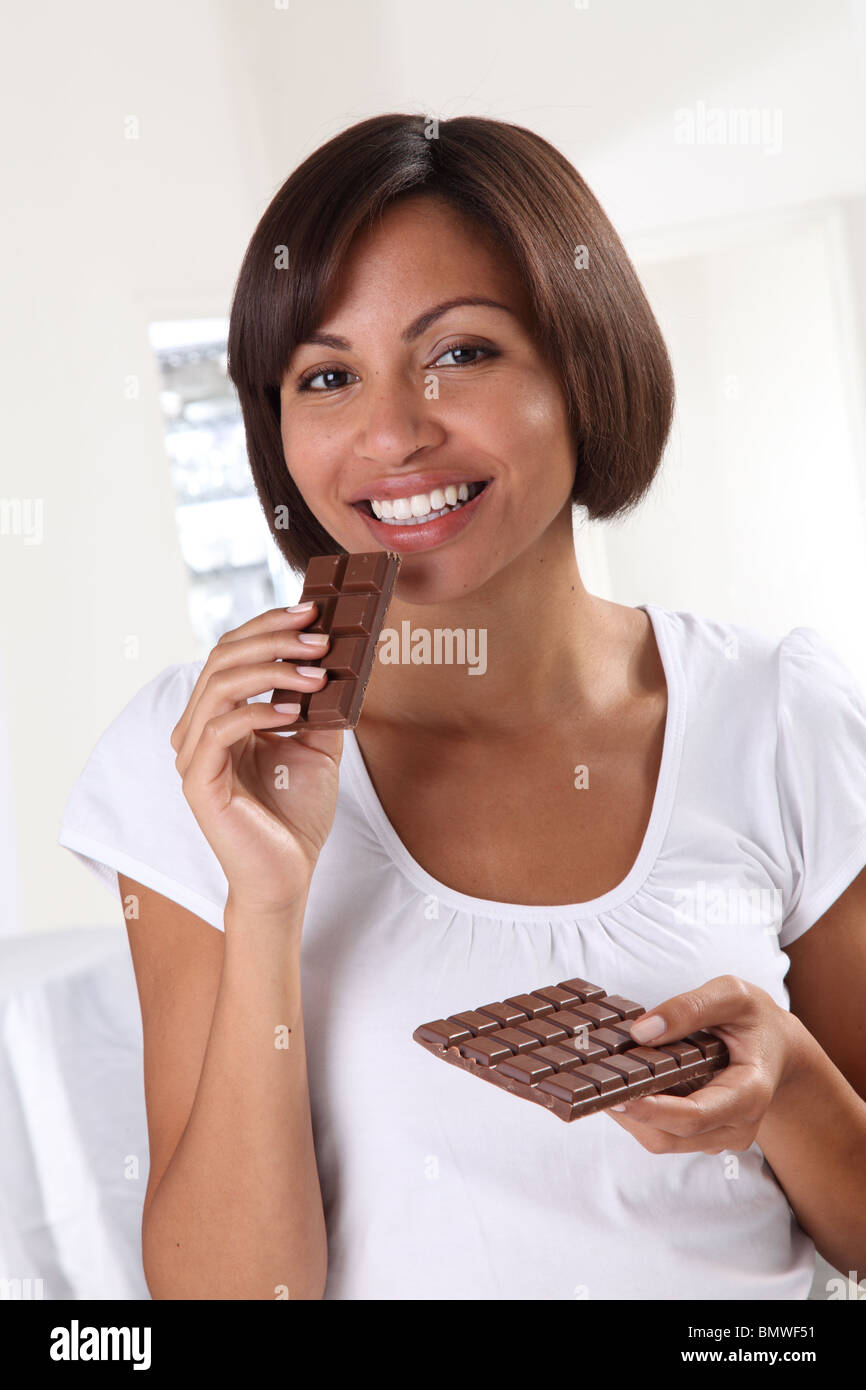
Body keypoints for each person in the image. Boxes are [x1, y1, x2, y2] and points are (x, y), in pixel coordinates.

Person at [59, 113, 866, 1301]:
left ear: (583, 368)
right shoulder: (199, 756)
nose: (391, 433)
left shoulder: (779, 715)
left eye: (461, 354)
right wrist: (269, 898)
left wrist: (786, 1080)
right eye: (326, 377)